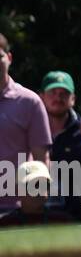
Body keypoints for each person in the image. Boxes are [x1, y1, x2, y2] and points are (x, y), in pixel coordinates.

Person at [0, 33, 52, 214]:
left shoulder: (29, 101)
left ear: (9, 58)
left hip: (19, 208)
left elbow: (41, 157)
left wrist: (38, 195)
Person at [40, 71, 81, 217]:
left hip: (76, 216)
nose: (58, 97)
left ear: (73, 99)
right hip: (35, 215)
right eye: (52, 92)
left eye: (64, 93)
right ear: (41, 97)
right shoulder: (28, 130)